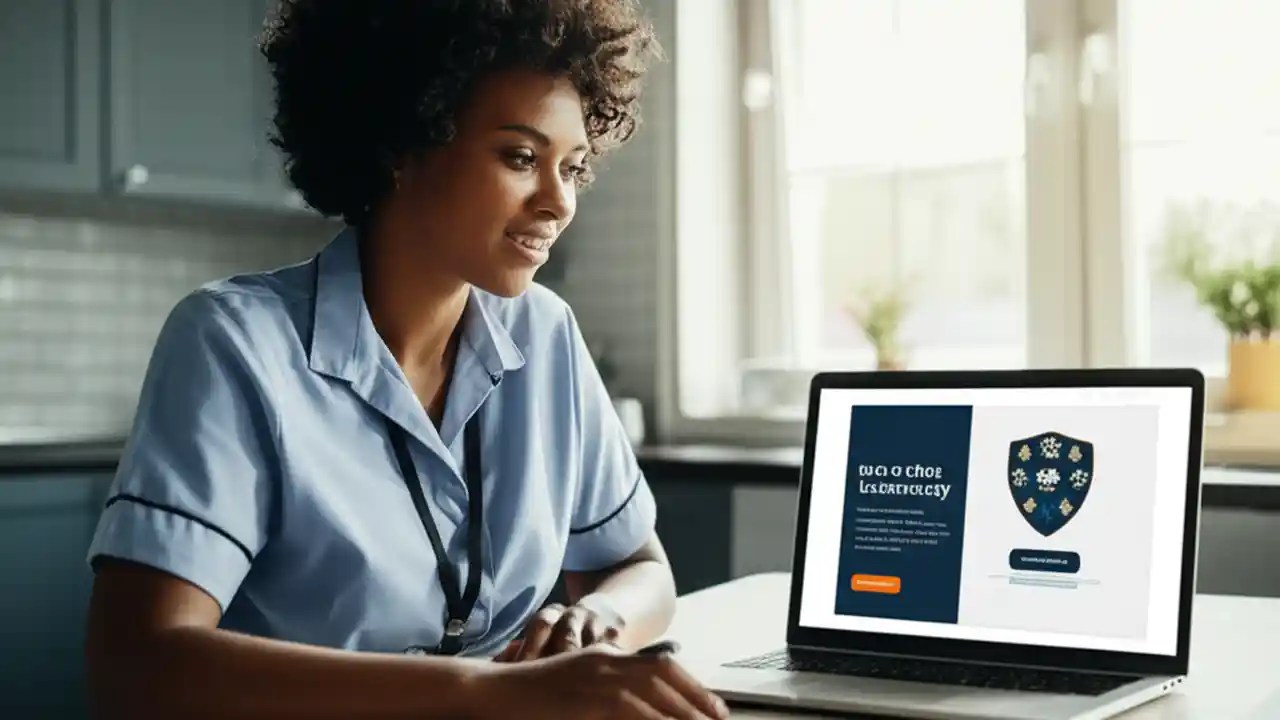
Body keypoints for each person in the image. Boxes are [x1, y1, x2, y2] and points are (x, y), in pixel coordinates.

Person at [83, 1, 729, 718]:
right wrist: (492, 693)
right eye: (521, 157)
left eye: (573, 167)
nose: (558, 202)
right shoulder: (234, 342)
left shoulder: (546, 334)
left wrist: (596, 620)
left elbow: (637, 568)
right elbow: (137, 662)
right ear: (402, 143)